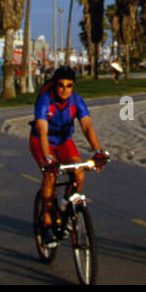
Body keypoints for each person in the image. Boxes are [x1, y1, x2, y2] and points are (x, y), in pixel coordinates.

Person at [30, 65, 109, 247]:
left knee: (79, 172)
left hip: (64, 141)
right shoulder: (44, 100)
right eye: (60, 85)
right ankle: (48, 224)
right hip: (41, 141)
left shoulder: (76, 101)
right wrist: (48, 159)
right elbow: (42, 131)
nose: (65, 90)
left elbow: (87, 127)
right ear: (54, 84)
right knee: (51, 175)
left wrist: (98, 152)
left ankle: (67, 206)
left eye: (69, 85)